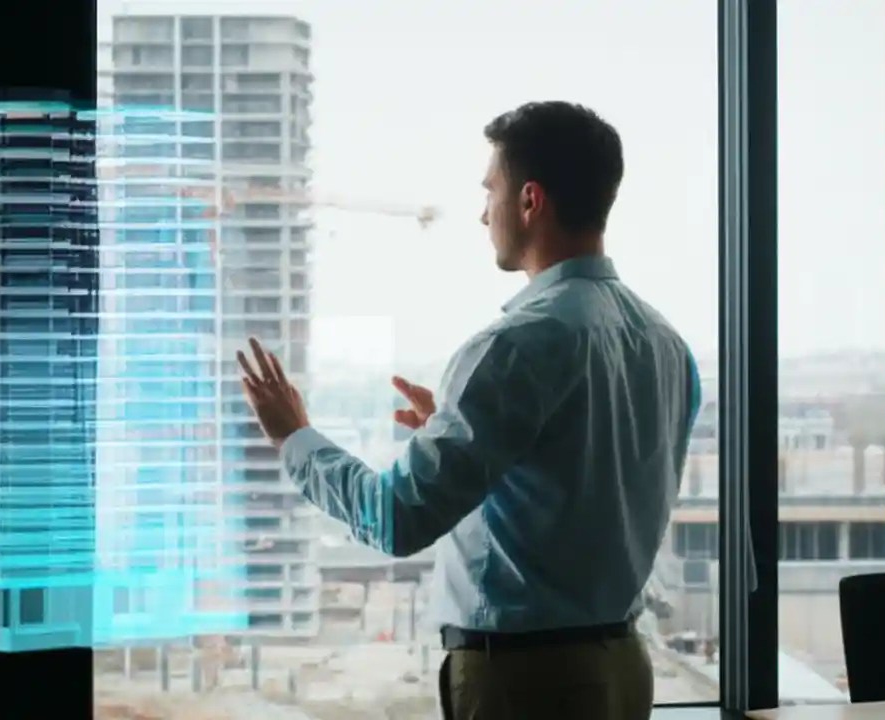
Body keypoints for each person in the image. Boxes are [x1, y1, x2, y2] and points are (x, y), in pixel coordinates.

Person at [237, 100, 701, 720]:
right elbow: (581, 489)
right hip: (621, 670)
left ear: (530, 201)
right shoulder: (666, 344)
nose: (484, 213)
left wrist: (295, 439)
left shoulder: (514, 348)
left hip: (527, 683)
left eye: (491, 191)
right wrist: (461, 432)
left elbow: (397, 519)